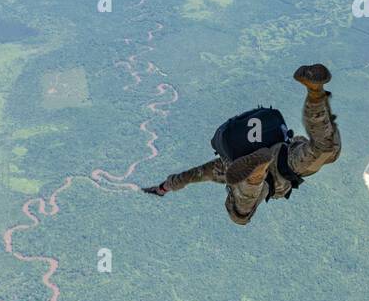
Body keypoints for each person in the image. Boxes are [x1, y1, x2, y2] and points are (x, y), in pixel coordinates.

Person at [143, 64, 340, 225]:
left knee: (240, 214)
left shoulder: (222, 167)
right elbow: (188, 177)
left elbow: (188, 176)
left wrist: (163, 188)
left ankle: (255, 174)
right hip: (281, 156)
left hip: (271, 170)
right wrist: (165, 188)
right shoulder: (224, 167)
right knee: (325, 149)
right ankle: (315, 93)